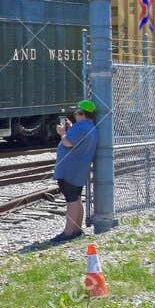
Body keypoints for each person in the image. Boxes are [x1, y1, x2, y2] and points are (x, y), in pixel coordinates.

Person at [51, 99, 100, 244]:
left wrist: (62, 133)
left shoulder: (81, 128)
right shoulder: (89, 126)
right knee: (76, 198)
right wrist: (71, 128)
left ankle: (69, 232)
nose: (75, 115)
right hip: (78, 170)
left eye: (77, 113)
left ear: (82, 113)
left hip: (70, 170)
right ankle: (76, 229)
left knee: (71, 200)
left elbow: (68, 143)